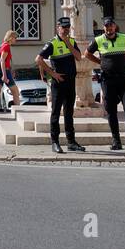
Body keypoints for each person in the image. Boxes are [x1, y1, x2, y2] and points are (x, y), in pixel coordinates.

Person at [86, 16, 125, 152]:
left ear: (115, 26)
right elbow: (87, 53)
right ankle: (116, 141)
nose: (109, 28)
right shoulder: (98, 40)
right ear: (104, 27)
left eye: (111, 26)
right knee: (111, 111)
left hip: (123, 79)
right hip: (107, 80)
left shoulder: (124, 37)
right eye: (106, 26)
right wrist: (101, 62)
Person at [36, 17, 85, 154]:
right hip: (58, 84)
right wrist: (52, 73)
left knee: (69, 113)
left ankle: (71, 142)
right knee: (56, 113)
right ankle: (55, 142)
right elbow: (38, 59)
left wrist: (68, 44)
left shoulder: (72, 41)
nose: (65, 30)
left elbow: (79, 57)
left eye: (67, 27)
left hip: (70, 83)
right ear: (57, 28)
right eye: (63, 27)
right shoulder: (52, 43)